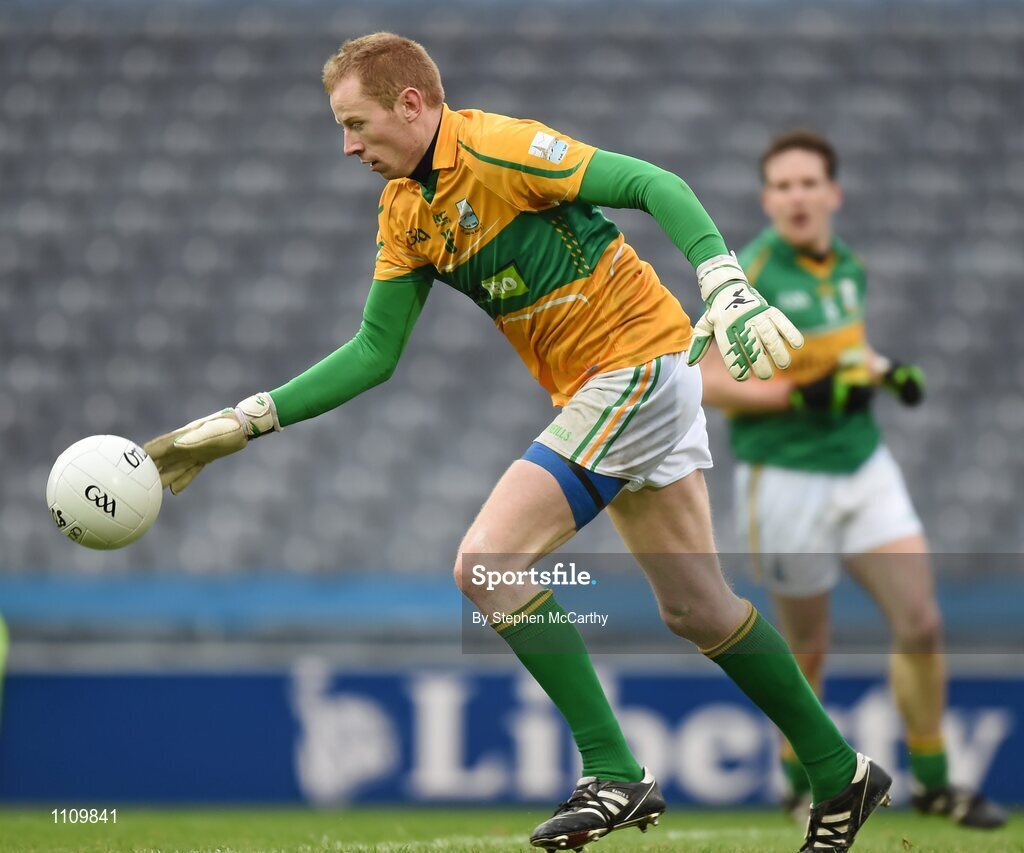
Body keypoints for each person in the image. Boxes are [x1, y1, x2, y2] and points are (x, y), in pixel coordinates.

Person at [145, 34, 891, 852]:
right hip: (623, 384)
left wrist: (722, 276)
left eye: (356, 123)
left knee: (487, 563)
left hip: (635, 363)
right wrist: (244, 422)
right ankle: (839, 771)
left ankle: (613, 770)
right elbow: (373, 352)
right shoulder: (405, 210)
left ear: (411, 104)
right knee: (696, 608)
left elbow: (653, 182)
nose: (348, 145)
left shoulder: (499, 147)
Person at [699, 129, 1006, 830]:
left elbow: (848, 349)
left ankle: (933, 782)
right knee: (808, 647)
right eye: (782, 185)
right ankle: (798, 774)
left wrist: (885, 369)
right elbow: (708, 378)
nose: (796, 196)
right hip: (785, 477)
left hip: (864, 464)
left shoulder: (849, 268)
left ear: (832, 193)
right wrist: (794, 397)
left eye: (809, 183)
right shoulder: (747, 276)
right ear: (767, 198)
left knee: (921, 622)